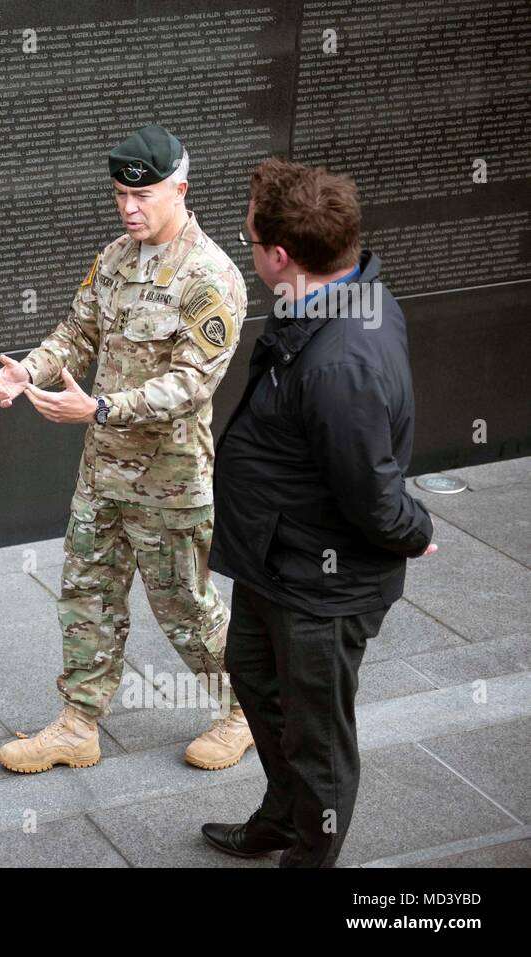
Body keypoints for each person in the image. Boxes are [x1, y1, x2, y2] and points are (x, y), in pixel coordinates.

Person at [0, 125, 253, 774]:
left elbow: (191, 385)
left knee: (186, 607)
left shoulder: (210, 278)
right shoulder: (114, 260)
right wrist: (28, 370)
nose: (130, 208)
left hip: (169, 481)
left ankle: (246, 709)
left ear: (181, 190)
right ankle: (77, 724)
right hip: (102, 473)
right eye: (119, 196)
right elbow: (77, 333)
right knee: (86, 596)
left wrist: (101, 407)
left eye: (145, 196)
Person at [201, 157, 436, 867]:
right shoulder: (333, 299)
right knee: (253, 678)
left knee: (317, 739)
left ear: (279, 256)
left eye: (249, 240)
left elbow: (372, 490)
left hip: (321, 587)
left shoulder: (341, 362)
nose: (246, 249)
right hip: (278, 560)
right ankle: (281, 817)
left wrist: (416, 531)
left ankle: (310, 853)